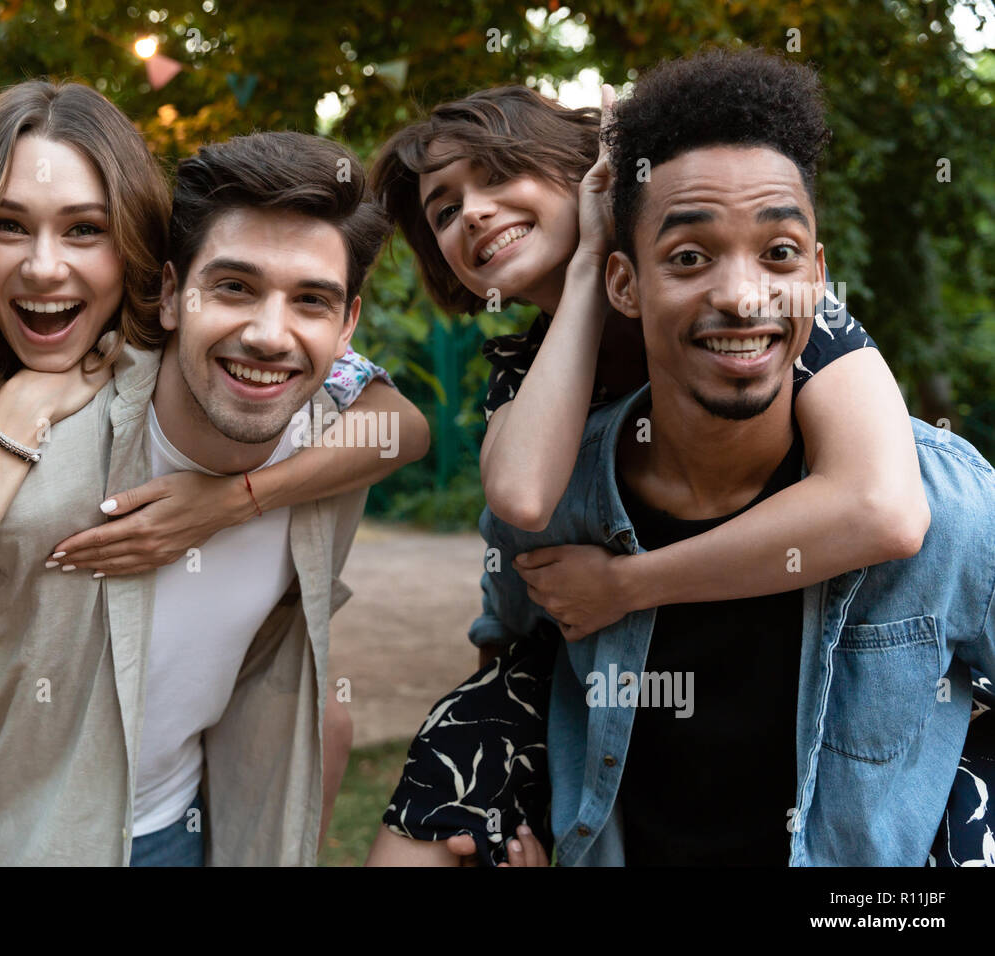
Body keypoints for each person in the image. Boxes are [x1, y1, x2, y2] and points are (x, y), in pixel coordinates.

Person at [0, 80, 427, 864]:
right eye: (8, 225)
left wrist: (231, 501)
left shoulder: (249, 350)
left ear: (142, 261)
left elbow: (405, 428)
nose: (46, 267)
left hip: (144, 807)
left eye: (86, 229)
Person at [368, 46, 995, 866]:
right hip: (598, 674)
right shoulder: (533, 366)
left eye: (496, 176)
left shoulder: (777, 307)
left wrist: (629, 585)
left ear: (586, 173)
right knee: (450, 767)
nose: (473, 213)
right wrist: (593, 263)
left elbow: (883, 507)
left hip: (771, 632)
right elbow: (522, 503)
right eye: (444, 211)